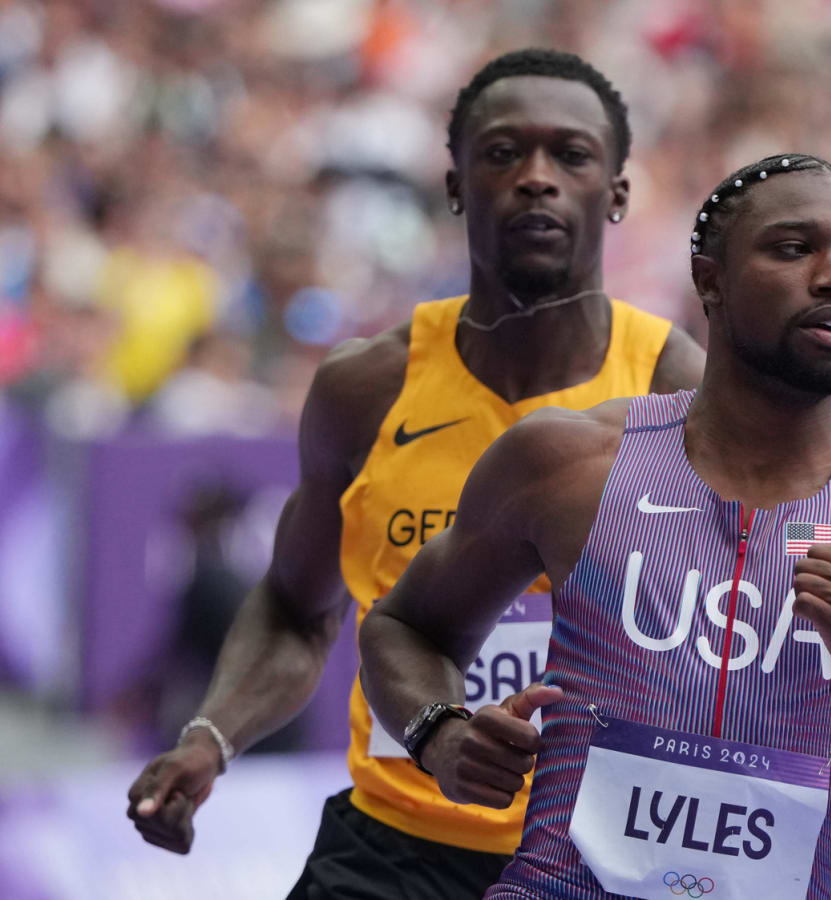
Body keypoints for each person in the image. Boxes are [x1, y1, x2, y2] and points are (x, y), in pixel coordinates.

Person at [361, 154, 831, 900]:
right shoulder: (566, 463)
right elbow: (403, 628)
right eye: (794, 247)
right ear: (709, 280)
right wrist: (438, 734)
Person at [125, 48, 705, 900]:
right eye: (503, 153)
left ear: (616, 192)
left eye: (571, 155)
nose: (536, 178)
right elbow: (296, 608)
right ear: (456, 187)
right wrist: (212, 735)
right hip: (395, 852)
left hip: (599, 863)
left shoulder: (677, 392)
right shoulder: (367, 388)